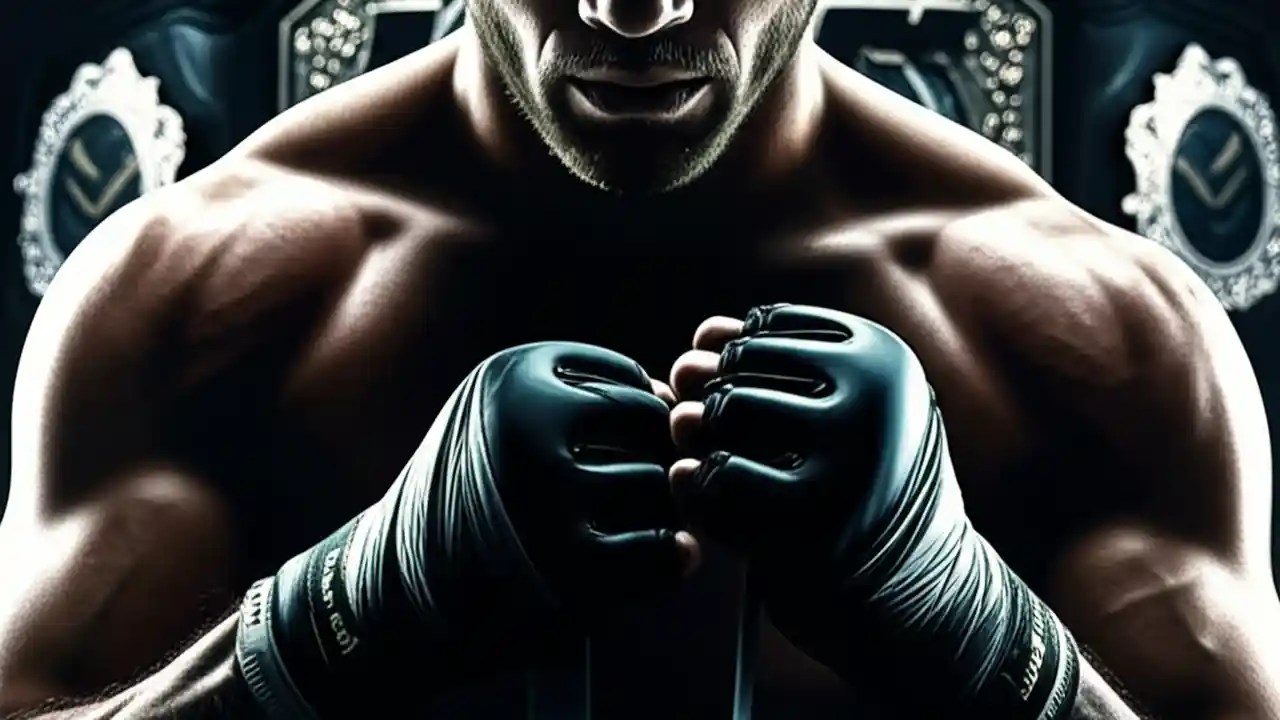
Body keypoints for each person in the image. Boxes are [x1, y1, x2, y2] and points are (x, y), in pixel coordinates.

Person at [0, 0, 1278, 717]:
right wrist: (343, 617)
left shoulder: (1102, 339)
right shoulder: (192, 299)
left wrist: (970, 628)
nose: (632, 9)